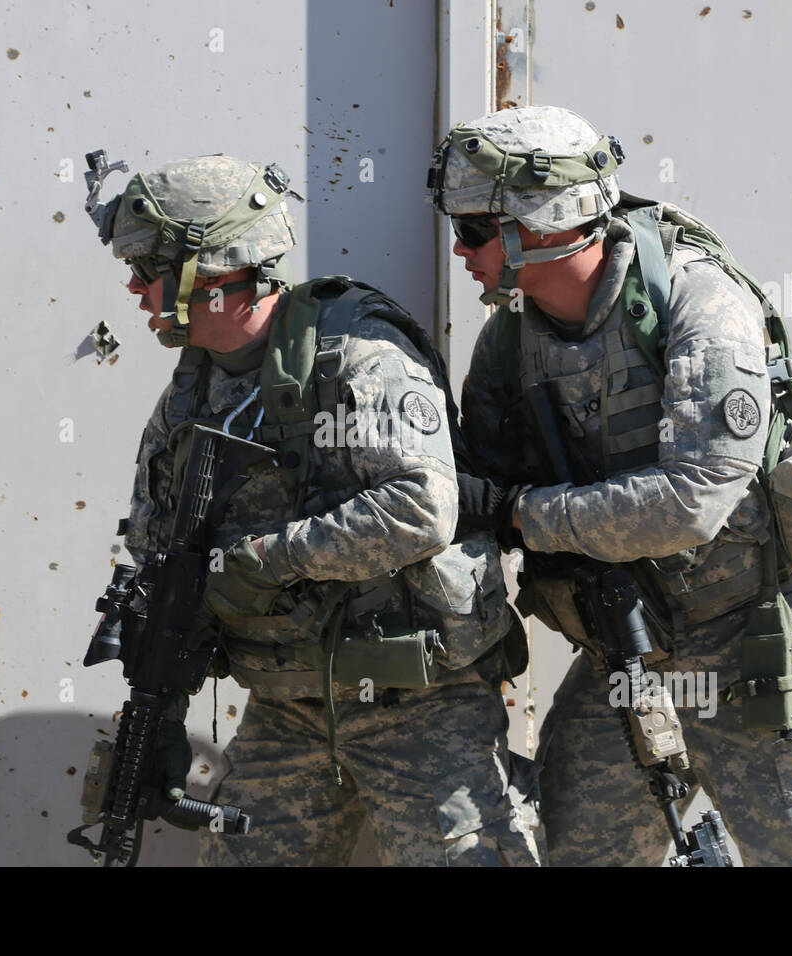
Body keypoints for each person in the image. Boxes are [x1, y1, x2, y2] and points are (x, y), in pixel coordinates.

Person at [428, 105, 792, 866]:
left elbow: (691, 501)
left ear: (541, 222)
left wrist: (528, 515)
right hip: (625, 652)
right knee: (578, 851)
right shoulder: (509, 344)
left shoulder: (696, 303)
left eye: (474, 229)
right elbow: (477, 499)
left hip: (752, 638)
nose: (460, 250)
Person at [85, 151, 539, 865]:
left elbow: (421, 508)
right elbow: (160, 561)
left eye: (149, 272)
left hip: (418, 703)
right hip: (288, 711)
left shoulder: (357, 353)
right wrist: (160, 715)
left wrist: (263, 561)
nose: (136, 290)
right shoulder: (187, 397)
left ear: (213, 270)